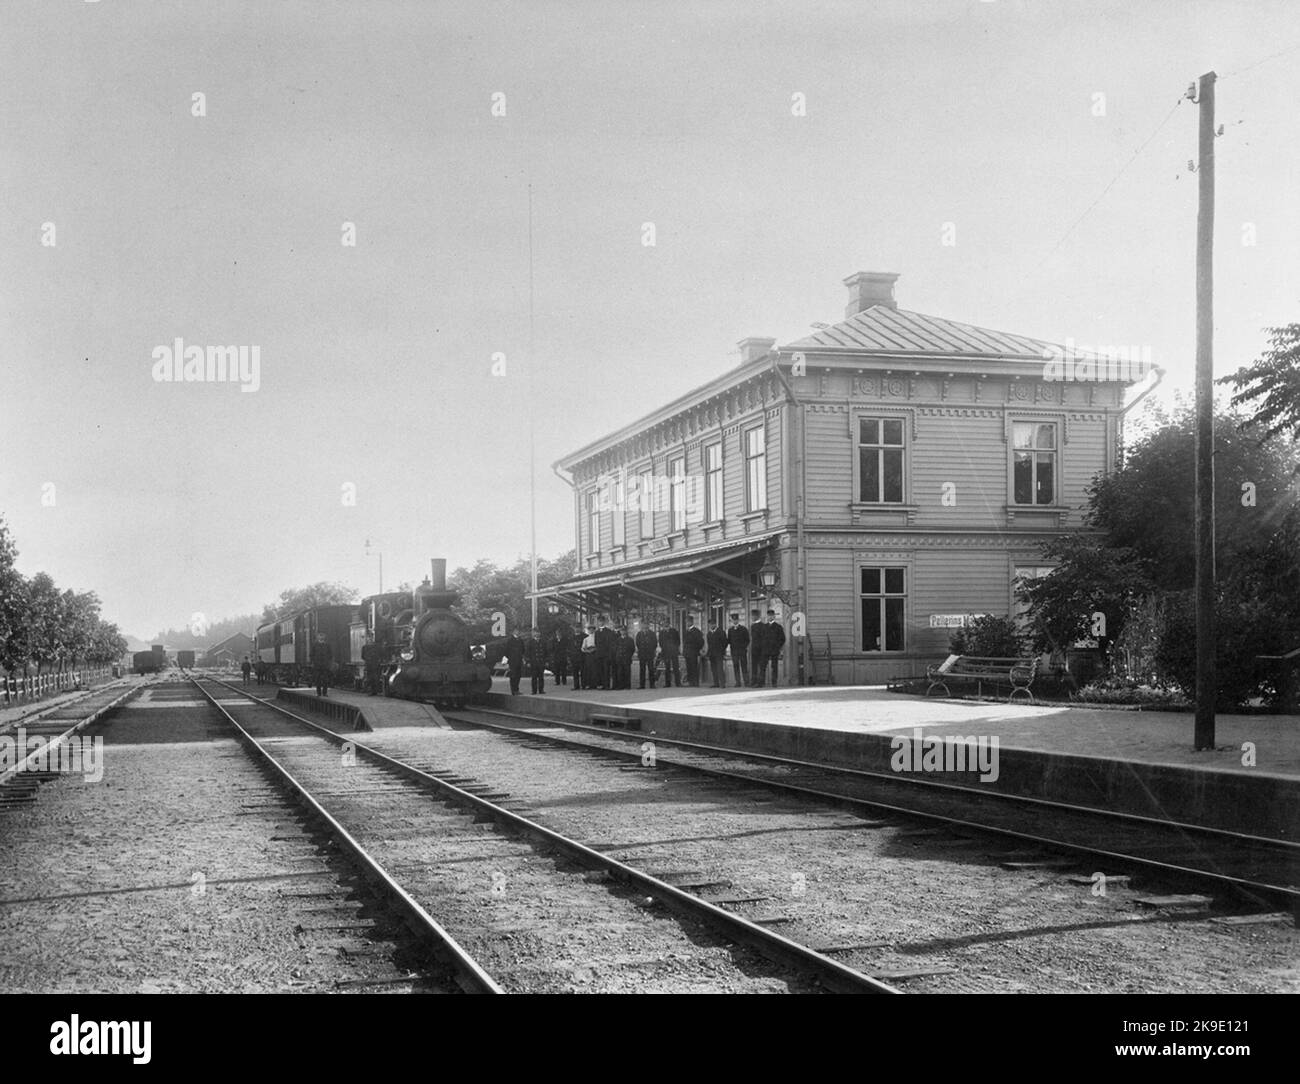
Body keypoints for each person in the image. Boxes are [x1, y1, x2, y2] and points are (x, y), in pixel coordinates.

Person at [763, 609, 786, 687]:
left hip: (774, 650)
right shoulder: (764, 627)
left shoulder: (778, 627)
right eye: (769, 616)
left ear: (774, 616)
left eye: (771, 616)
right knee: (763, 666)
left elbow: (783, 639)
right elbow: (761, 638)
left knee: (774, 667)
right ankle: (762, 682)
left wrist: (777, 647)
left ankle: (774, 682)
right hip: (765, 650)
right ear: (767, 616)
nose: (770, 617)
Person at [727, 614, 750, 688]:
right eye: (733, 620)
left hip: (742, 651)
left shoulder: (743, 629)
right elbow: (729, 641)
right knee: (736, 667)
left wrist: (743, 647)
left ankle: (746, 682)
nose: (735, 621)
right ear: (732, 621)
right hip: (734, 652)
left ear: (738, 620)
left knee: (744, 667)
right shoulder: (730, 630)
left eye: (736, 620)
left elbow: (747, 640)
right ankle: (738, 682)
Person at [595, 617, 617, 690]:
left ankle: (607, 685)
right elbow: (596, 643)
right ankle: (601, 685)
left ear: (604, 622)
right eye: (599, 621)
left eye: (601, 621)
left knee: (606, 670)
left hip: (606, 654)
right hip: (599, 654)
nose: (600, 623)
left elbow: (610, 643)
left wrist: (609, 654)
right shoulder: (597, 632)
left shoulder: (608, 631)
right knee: (600, 670)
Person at [635, 623, 658, 690]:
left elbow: (655, 643)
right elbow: (637, 643)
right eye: (643, 625)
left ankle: (652, 684)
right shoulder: (639, 634)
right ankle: (642, 685)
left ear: (648, 626)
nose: (644, 626)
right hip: (642, 654)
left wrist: (652, 650)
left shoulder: (652, 634)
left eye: (646, 625)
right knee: (642, 670)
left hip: (650, 654)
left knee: (651, 669)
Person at [683, 617, 705, 687]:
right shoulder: (686, 631)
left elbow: (701, 642)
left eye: (687, 622)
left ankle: (695, 682)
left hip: (693, 653)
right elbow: (685, 643)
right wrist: (684, 652)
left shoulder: (696, 631)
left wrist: (696, 649)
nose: (686, 623)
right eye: (686, 622)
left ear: (691, 622)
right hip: (687, 653)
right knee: (689, 668)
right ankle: (691, 682)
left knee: (694, 668)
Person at [706, 619, 728, 688]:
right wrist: (708, 654)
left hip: (719, 653)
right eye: (710, 624)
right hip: (712, 654)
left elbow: (725, 643)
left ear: (715, 624)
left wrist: (722, 651)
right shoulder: (709, 634)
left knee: (720, 668)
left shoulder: (721, 632)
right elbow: (709, 645)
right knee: (714, 669)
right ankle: (716, 683)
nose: (711, 625)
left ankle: (722, 683)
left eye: (712, 624)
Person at [659, 623, 681, 688]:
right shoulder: (662, 633)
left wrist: (675, 648)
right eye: (665, 626)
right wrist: (664, 649)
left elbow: (678, 641)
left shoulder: (674, 631)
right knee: (667, 668)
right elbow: (661, 642)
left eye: (667, 626)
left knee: (676, 668)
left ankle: (678, 683)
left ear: (669, 625)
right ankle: (667, 683)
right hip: (666, 653)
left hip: (674, 652)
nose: (666, 627)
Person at [749, 609, 767, 687]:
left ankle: (761, 682)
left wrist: (763, 648)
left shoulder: (763, 626)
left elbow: (764, 638)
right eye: (752, 615)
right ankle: (754, 681)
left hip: (762, 649)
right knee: (754, 666)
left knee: (762, 666)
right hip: (754, 649)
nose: (752, 617)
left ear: (757, 616)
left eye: (753, 615)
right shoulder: (752, 626)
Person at [525, 628, 546, 694]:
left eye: (538, 632)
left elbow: (546, 652)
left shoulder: (543, 642)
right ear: (533, 633)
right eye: (536, 632)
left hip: (541, 662)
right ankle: (534, 690)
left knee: (541, 677)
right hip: (533, 662)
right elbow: (527, 653)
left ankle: (541, 689)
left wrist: (547, 661)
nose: (537, 634)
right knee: (534, 677)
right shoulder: (530, 642)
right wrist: (528, 662)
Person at [503, 629, 524, 695]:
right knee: (513, 676)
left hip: (519, 660)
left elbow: (523, 649)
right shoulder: (510, 640)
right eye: (516, 631)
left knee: (518, 675)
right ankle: (513, 690)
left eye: (518, 631)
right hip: (512, 661)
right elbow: (506, 651)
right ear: (513, 632)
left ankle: (517, 689)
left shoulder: (520, 640)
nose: (518, 632)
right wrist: (510, 658)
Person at [580, 625, 597, 689]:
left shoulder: (596, 637)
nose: (591, 631)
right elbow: (582, 648)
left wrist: (594, 649)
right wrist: (586, 650)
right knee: (589, 670)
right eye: (589, 629)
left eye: (592, 629)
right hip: (588, 655)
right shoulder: (586, 639)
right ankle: (589, 684)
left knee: (594, 670)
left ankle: (595, 684)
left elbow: (597, 645)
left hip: (594, 654)